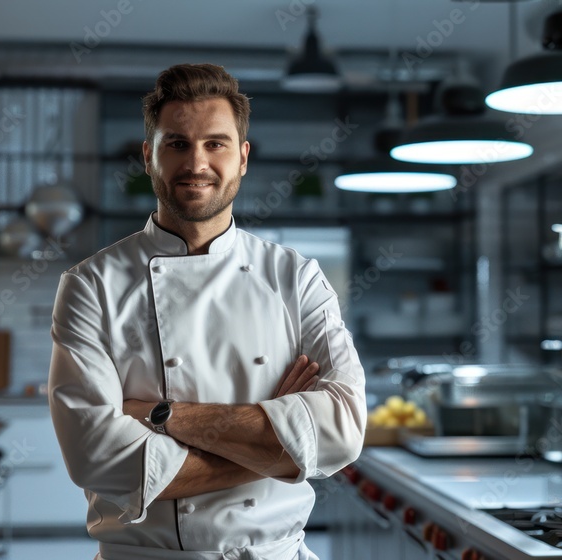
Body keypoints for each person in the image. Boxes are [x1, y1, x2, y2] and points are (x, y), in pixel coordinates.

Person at [47, 63, 366, 560]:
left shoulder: (295, 277)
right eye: (176, 143)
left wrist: (164, 417)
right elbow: (97, 459)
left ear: (242, 158)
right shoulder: (91, 285)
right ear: (148, 156)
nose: (196, 163)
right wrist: (281, 448)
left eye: (215, 144)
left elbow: (343, 431)